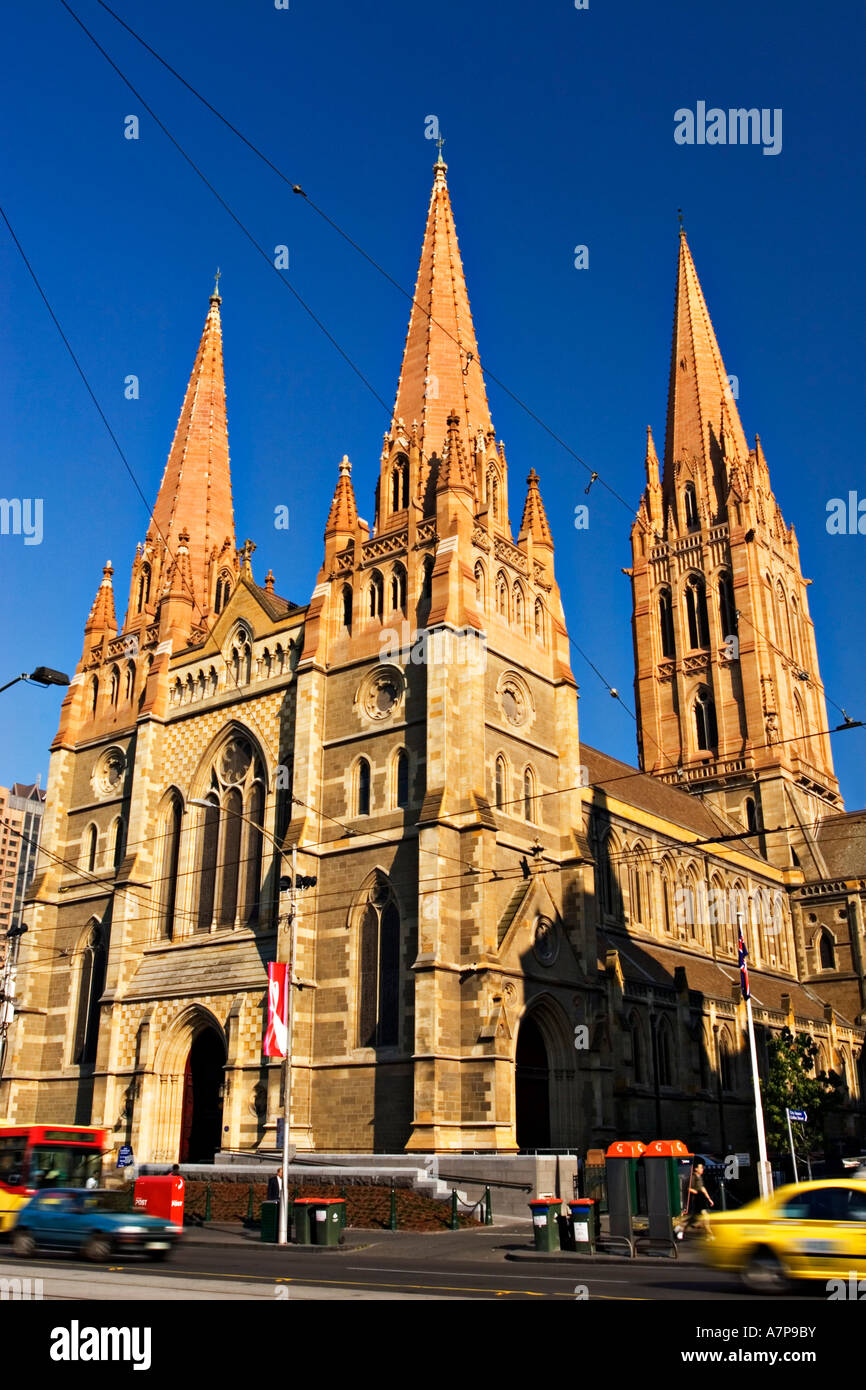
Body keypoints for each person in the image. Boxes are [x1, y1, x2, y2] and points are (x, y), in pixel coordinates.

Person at [680, 1161, 714, 1237]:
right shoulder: (693, 1177)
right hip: (696, 1201)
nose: (702, 1169)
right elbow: (689, 1188)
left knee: (693, 1219)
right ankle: (710, 1235)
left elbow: (703, 1188)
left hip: (700, 1200)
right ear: (696, 1169)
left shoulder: (700, 1177)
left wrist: (709, 1198)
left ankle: (680, 1229)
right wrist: (696, 1192)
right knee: (706, 1217)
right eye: (701, 1167)